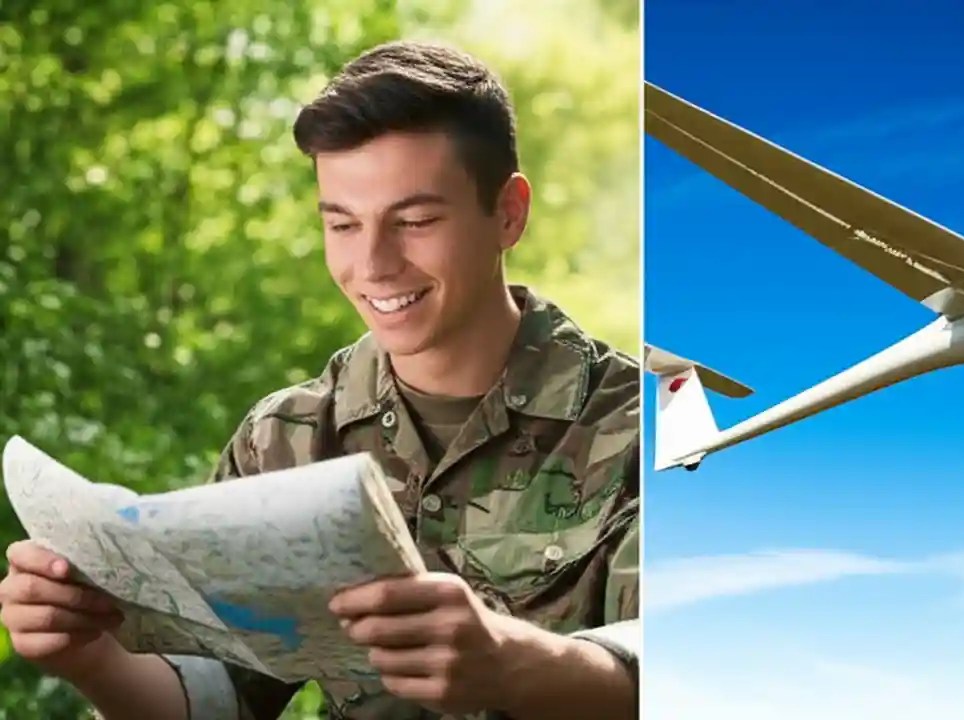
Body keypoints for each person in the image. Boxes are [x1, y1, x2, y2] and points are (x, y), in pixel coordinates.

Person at [0, 40, 639, 720]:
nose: (373, 265)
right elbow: (220, 702)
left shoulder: (645, 430)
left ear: (508, 213)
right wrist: (91, 657)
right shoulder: (287, 440)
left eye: (415, 221)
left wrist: (515, 665)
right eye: (342, 224)